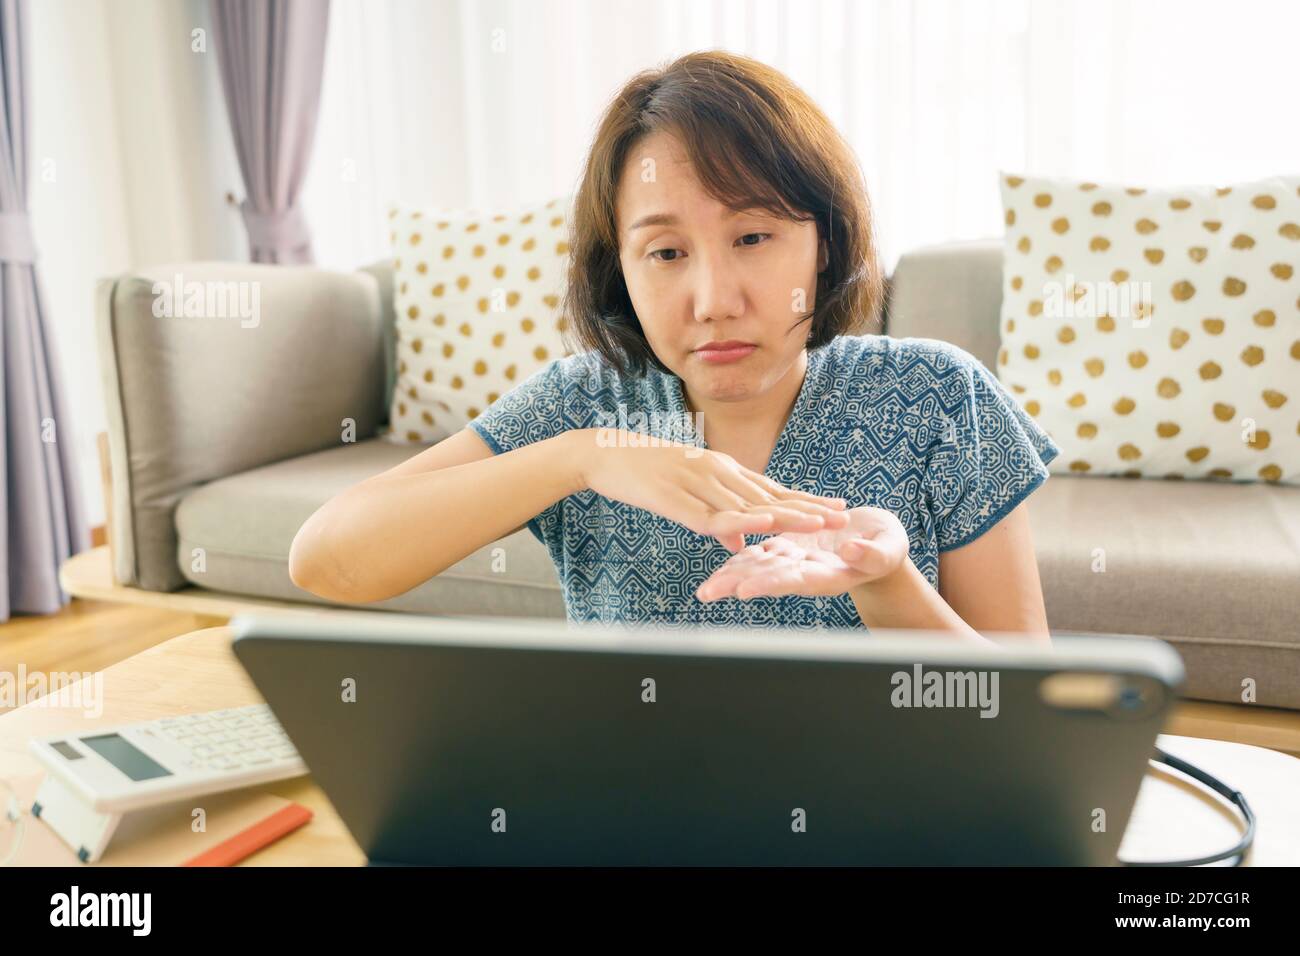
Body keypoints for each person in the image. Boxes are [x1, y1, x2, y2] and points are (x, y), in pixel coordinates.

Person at [289, 51, 1060, 645]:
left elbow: (1025, 717)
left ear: (822, 245)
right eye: (665, 253)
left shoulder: (938, 395)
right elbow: (325, 557)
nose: (714, 299)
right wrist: (582, 456)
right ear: (618, 268)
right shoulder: (582, 405)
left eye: (753, 237)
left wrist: (885, 583)